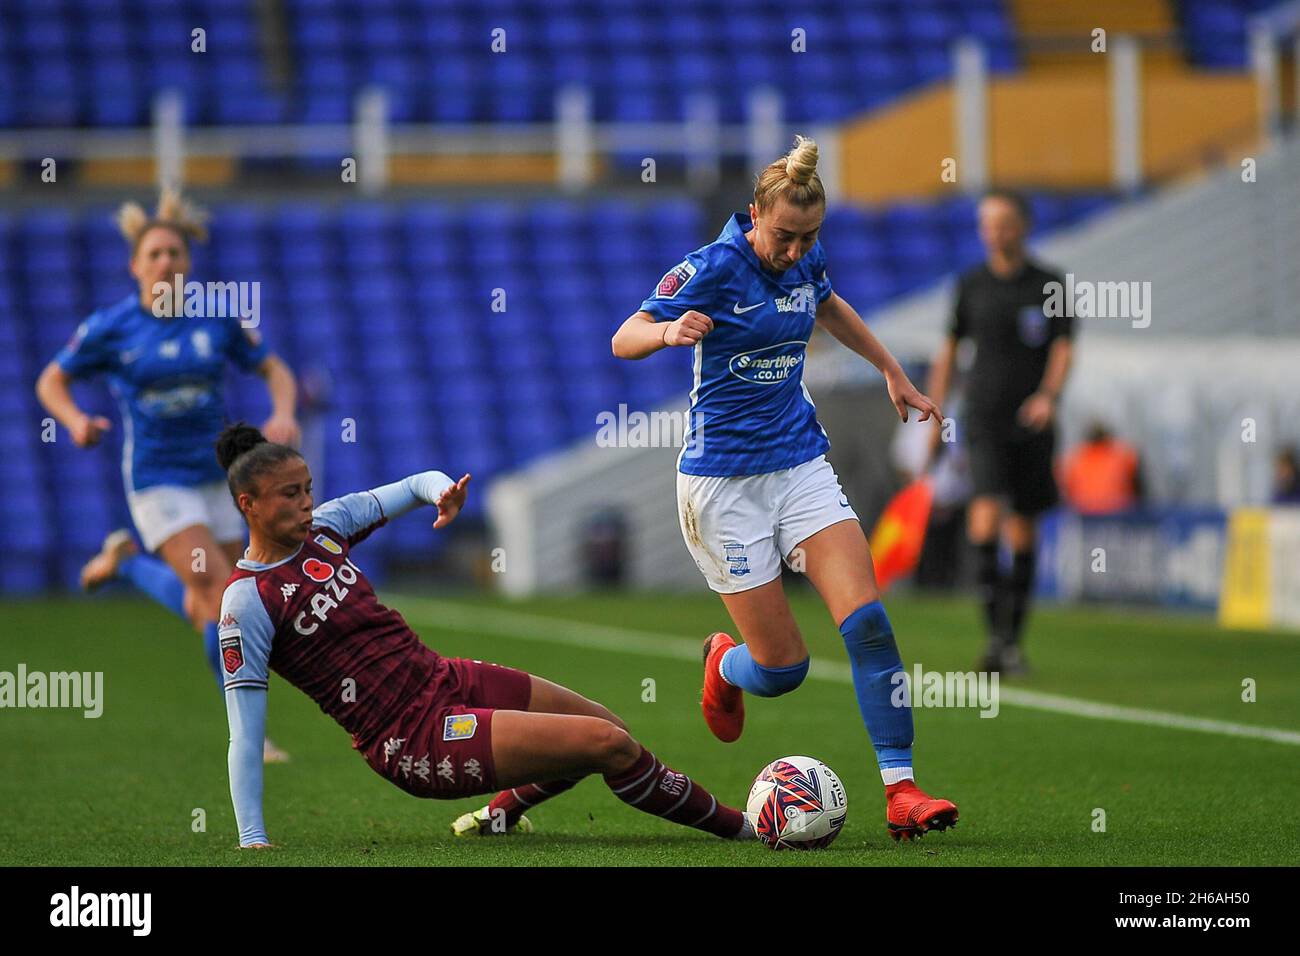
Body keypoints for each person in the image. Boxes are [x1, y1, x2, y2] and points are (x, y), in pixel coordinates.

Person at [609, 135, 958, 841]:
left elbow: (829, 306)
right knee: (784, 668)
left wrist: (892, 369)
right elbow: (624, 336)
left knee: (868, 622)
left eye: (810, 237)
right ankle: (724, 665)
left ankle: (902, 790)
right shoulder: (712, 266)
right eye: (785, 236)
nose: (797, 251)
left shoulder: (807, 256)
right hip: (722, 489)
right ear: (754, 215)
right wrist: (670, 330)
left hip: (798, 466)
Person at [214, 423, 753, 848]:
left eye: (307, 489)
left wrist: (441, 492)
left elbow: (410, 486)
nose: (306, 503)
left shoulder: (328, 527)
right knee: (607, 746)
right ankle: (745, 828)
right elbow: (244, 732)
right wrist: (253, 839)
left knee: (607, 726)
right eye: (290, 495)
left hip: (446, 678)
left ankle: (498, 816)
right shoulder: (246, 602)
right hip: (411, 736)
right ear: (249, 505)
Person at [34, 189, 300, 761]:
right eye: (153, 254)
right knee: (228, 593)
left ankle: (127, 563)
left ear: (189, 262)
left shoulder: (218, 317)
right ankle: (249, 732)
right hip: (159, 483)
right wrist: (76, 420)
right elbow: (50, 380)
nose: (165, 263)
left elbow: (274, 368)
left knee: (215, 600)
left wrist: (283, 412)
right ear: (134, 265)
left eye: (174, 253)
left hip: (219, 478)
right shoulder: (111, 327)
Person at [926, 189, 1074, 675]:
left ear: (1023, 225)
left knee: (1023, 526)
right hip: (983, 419)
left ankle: (1012, 640)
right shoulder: (971, 285)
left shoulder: (1049, 285)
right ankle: (994, 639)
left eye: (1003, 221)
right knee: (985, 517)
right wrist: (935, 412)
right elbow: (949, 351)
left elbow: (1062, 348)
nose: (994, 230)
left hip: (1031, 423)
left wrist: (1048, 398)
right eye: (986, 222)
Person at [1058, 421, 1143, 515]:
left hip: (1084, 514)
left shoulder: (1074, 459)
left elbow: (1066, 491)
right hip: (1119, 513)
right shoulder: (1125, 455)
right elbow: (1138, 488)